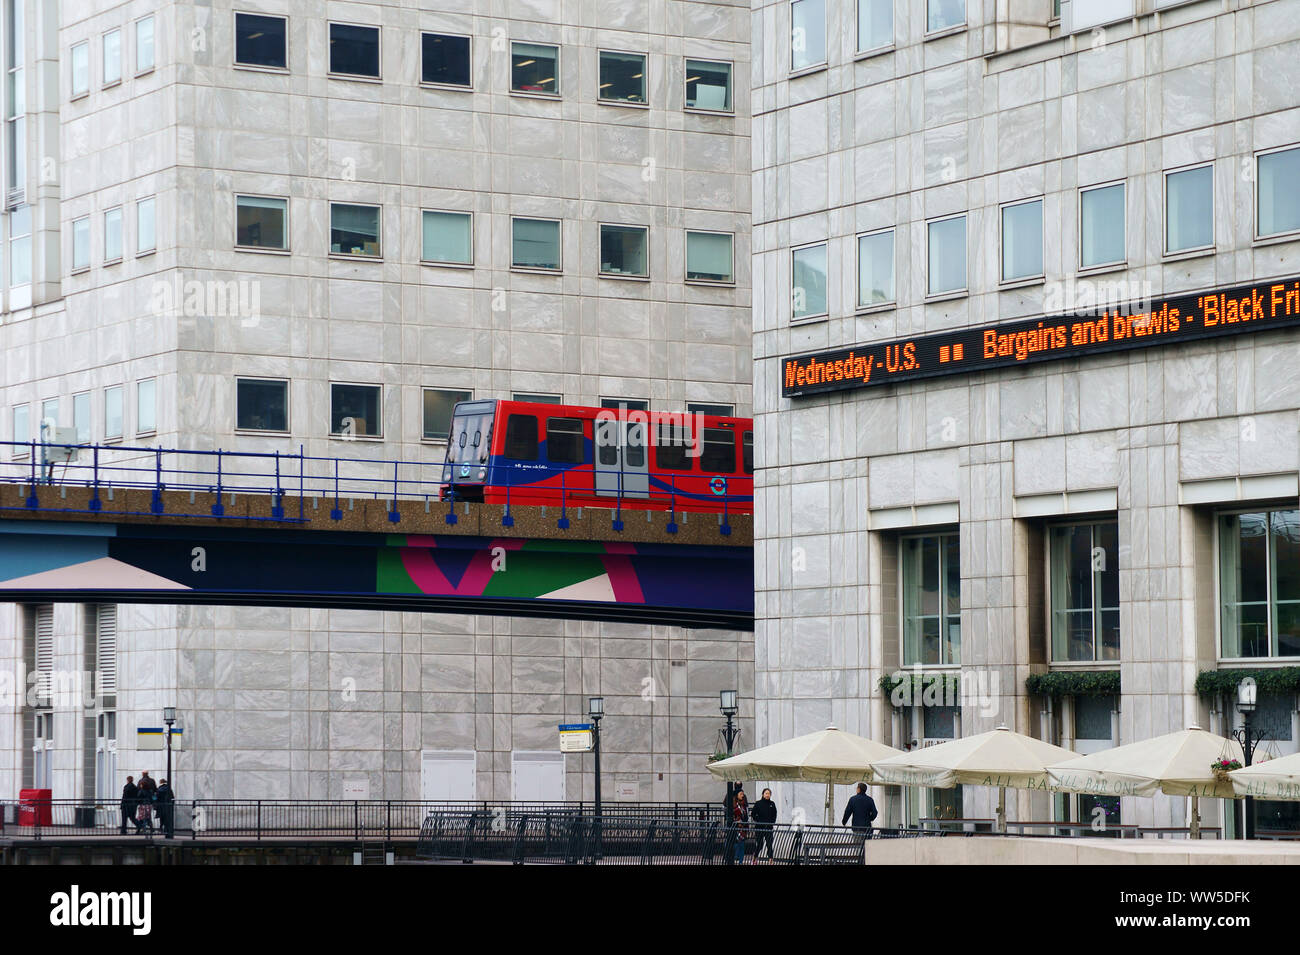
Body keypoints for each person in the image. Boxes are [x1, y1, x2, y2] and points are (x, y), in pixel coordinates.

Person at [750, 787, 777, 861]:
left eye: (769, 794)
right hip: (759, 827)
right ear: (763, 794)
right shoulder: (758, 803)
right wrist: (758, 820)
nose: (767, 795)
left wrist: (772, 822)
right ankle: (755, 857)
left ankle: (771, 859)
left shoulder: (772, 804)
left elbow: (774, 814)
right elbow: (753, 814)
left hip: (768, 827)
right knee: (760, 844)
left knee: (769, 844)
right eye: (766, 793)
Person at [731, 783, 749, 863]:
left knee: (742, 845)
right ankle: (735, 858)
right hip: (736, 827)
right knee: (736, 844)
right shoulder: (734, 805)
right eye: (741, 794)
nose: (742, 795)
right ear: (737, 795)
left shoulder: (743, 805)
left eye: (743, 794)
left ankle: (740, 861)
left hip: (743, 827)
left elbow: (746, 815)